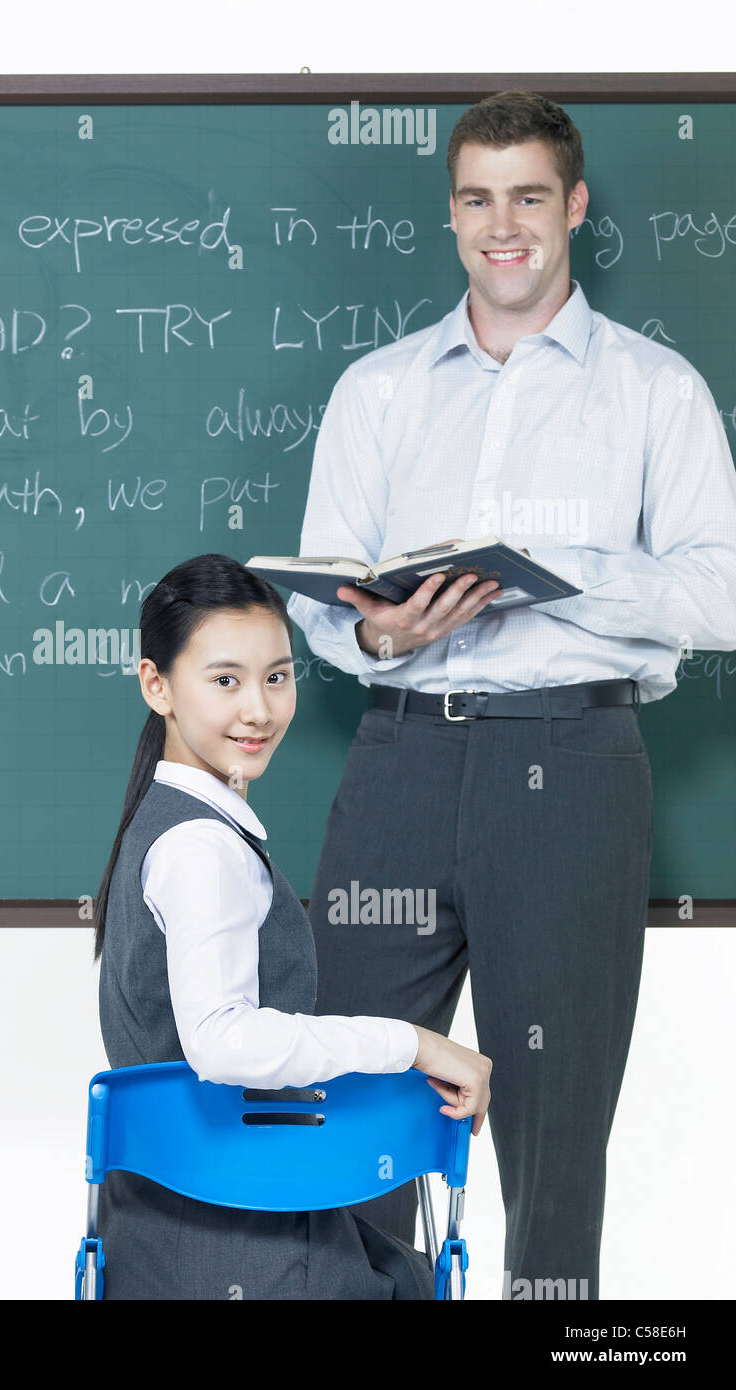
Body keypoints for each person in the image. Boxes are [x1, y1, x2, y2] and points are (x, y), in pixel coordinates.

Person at [291, 90, 736, 1300]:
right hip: (400, 761)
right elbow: (318, 594)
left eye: (528, 197)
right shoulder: (376, 391)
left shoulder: (652, 392)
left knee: (553, 1123)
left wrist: (549, 583)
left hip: (572, 766)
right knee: (341, 1083)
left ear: (573, 208)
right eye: (478, 199)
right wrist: (375, 631)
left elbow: (721, 593)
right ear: (450, 216)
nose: (504, 226)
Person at [92, 552, 491, 1299]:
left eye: (278, 676)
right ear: (157, 685)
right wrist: (415, 1043)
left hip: (150, 1241)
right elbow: (224, 1042)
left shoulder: (170, 822)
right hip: (247, 1244)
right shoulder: (200, 846)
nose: (259, 708)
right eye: (225, 680)